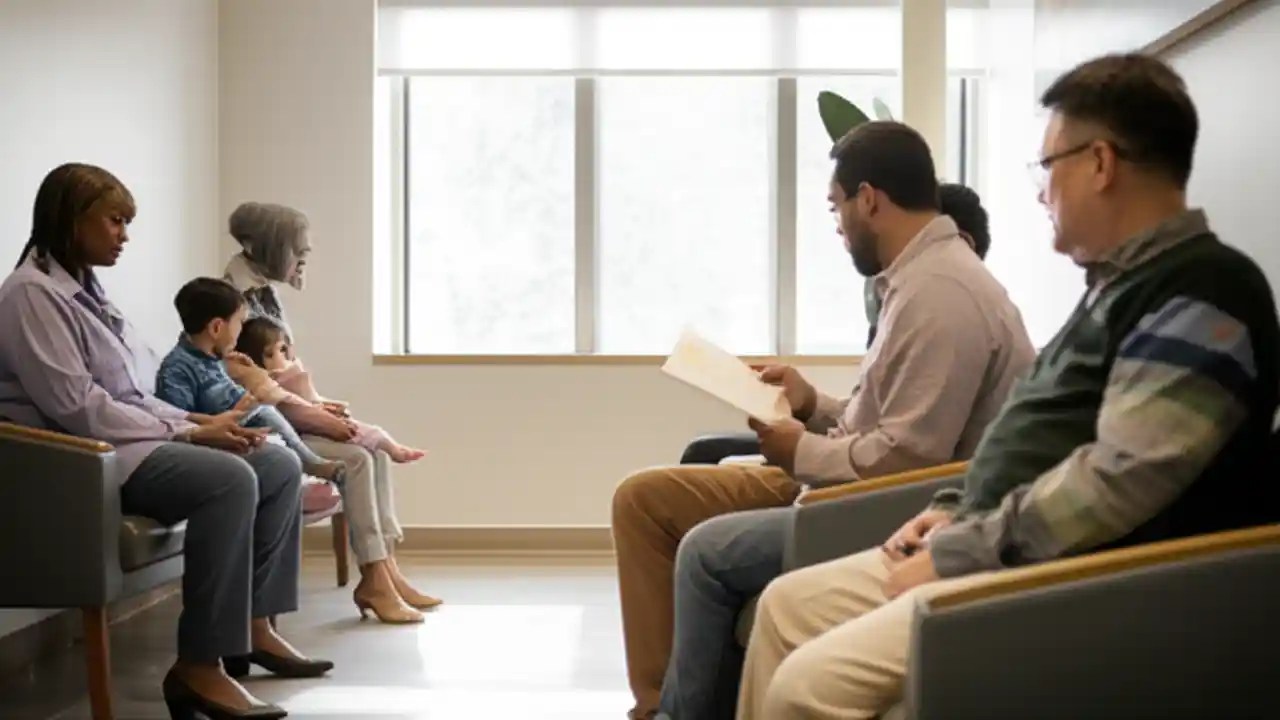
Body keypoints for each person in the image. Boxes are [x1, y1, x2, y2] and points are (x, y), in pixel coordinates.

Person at [738, 53, 1280, 720]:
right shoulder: (1115, 289)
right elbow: (1034, 437)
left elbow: (1121, 479)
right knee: (784, 606)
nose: (1040, 191)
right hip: (988, 540)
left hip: (1076, 579)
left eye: (1048, 167)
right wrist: (952, 504)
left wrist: (960, 550)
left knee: (805, 688)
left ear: (1101, 164)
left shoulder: (1204, 290)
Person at [613, 123, 1036, 720]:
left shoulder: (941, 294)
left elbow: (910, 459)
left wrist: (799, 452)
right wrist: (813, 405)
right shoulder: (916, 279)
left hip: (871, 501)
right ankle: (658, 706)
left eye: (836, 205)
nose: (836, 224)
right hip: (835, 473)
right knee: (643, 501)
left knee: (704, 552)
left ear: (869, 198)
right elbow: (886, 417)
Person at [0, 163, 333, 719]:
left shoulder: (90, 294)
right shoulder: (30, 296)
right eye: (115, 221)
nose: (124, 235)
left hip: (127, 443)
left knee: (272, 463)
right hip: (79, 462)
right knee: (228, 479)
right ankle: (199, 667)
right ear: (69, 218)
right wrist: (189, 428)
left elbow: (131, 392)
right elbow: (77, 407)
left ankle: (254, 628)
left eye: (127, 222)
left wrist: (201, 422)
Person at [223, 201, 440, 624]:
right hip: (267, 424)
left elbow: (281, 369)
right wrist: (317, 415)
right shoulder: (235, 300)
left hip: (289, 413)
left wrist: (320, 406)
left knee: (374, 452)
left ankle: (386, 569)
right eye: (297, 248)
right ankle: (375, 579)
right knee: (359, 456)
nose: (304, 257)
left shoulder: (263, 292)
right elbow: (253, 382)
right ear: (267, 245)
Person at [678, 182, 995, 467]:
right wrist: (809, 401)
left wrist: (801, 450)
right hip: (847, 467)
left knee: (647, 497)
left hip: (862, 490)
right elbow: (871, 419)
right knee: (696, 458)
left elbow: (899, 453)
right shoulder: (910, 304)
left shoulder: (948, 317)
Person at [155, 277, 349, 485]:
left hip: (244, 423)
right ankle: (309, 463)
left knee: (267, 414)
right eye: (239, 323)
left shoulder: (216, 358)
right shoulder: (176, 370)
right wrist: (231, 416)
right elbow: (177, 423)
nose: (240, 332)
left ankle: (309, 462)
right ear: (217, 328)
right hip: (216, 439)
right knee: (274, 438)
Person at [235, 315, 427, 464]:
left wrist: (325, 406)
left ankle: (383, 513)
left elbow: (307, 401)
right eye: (272, 353)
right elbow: (296, 408)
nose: (283, 357)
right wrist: (322, 412)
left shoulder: (284, 374)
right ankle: (392, 448)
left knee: (375, 450)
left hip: (311, 423)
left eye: (284, 350)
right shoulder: (264, 381)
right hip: (298, 433)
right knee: (362, 449)